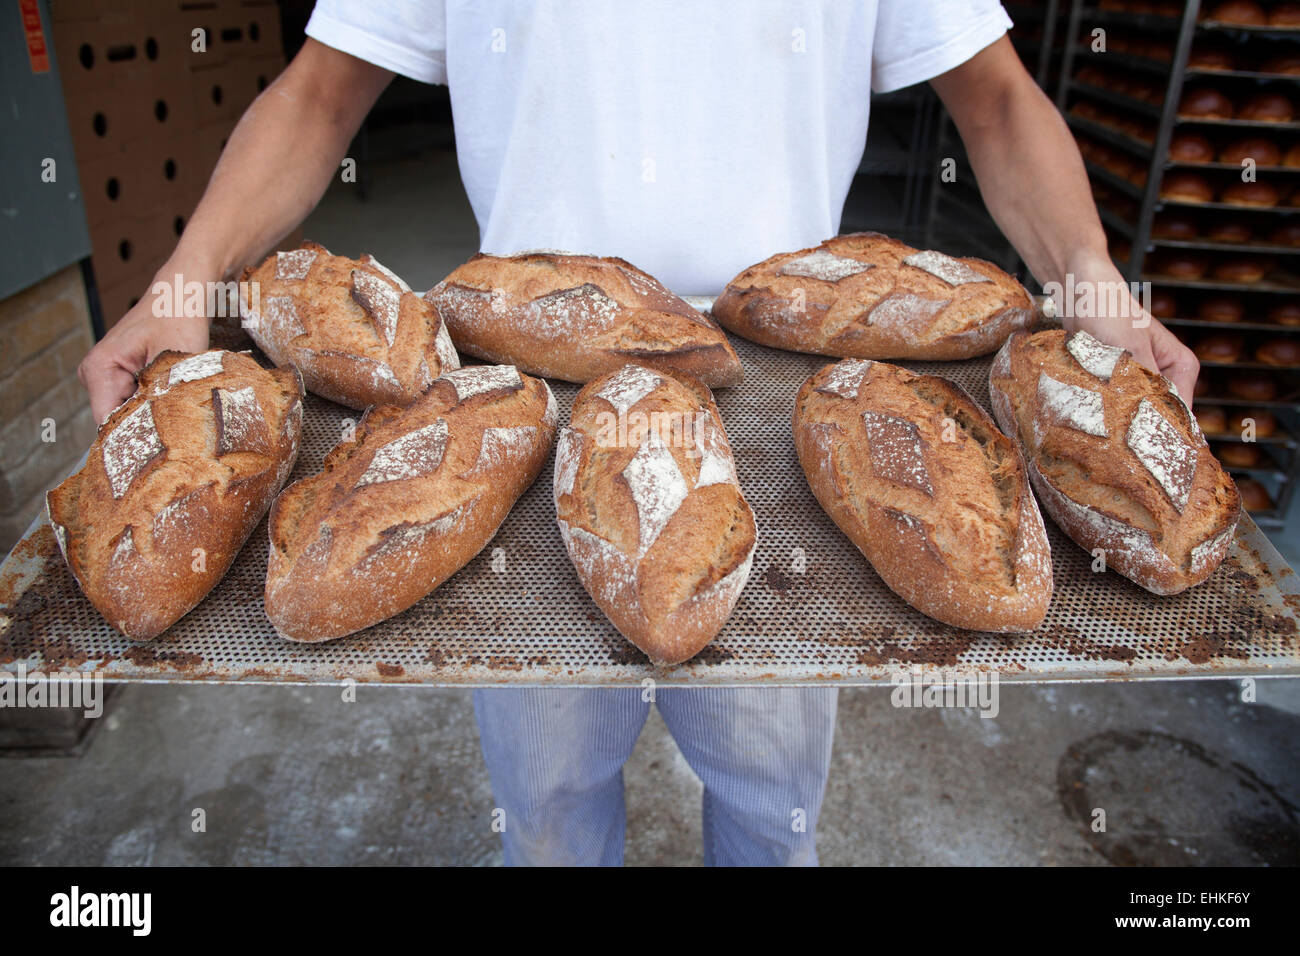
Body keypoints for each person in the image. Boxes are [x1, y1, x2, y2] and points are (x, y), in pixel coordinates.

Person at [77, 1, 1199, 866]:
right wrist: (190, 273)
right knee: (549, 802)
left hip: (784, 399)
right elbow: (320, 92)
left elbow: (995, 102)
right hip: (512, 400)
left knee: (769, 793)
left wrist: (1091, 279)